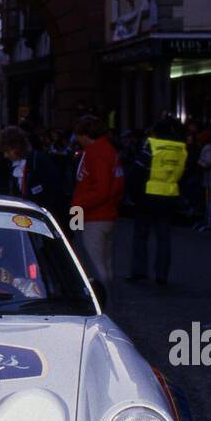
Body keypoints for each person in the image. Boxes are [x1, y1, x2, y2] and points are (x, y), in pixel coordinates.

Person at [127, 117, 188, 285]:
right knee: (164, 236)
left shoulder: (151, 146)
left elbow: (137, 171)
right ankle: (162, 275)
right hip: (169, 195)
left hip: (147, 195)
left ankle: (139, 271)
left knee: (141, 235)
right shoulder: (180, 149)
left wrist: (134, 194)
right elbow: (182, 173)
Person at [71, 115, 124, 295]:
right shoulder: (107, 150)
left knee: (93, 262)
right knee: (104, 261)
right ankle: (106, 298)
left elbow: (101, 190)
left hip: (92, 214)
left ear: (85, 134)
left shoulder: (96, 153)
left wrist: (77, 206)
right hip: (101, 213)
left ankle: (101, 300)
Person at [0, 125, 66, 223]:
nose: (5, 155)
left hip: (43, 218)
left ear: (17, 147)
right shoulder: (12, 166)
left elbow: (54, 194)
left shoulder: (40, 162)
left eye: (7, 151)